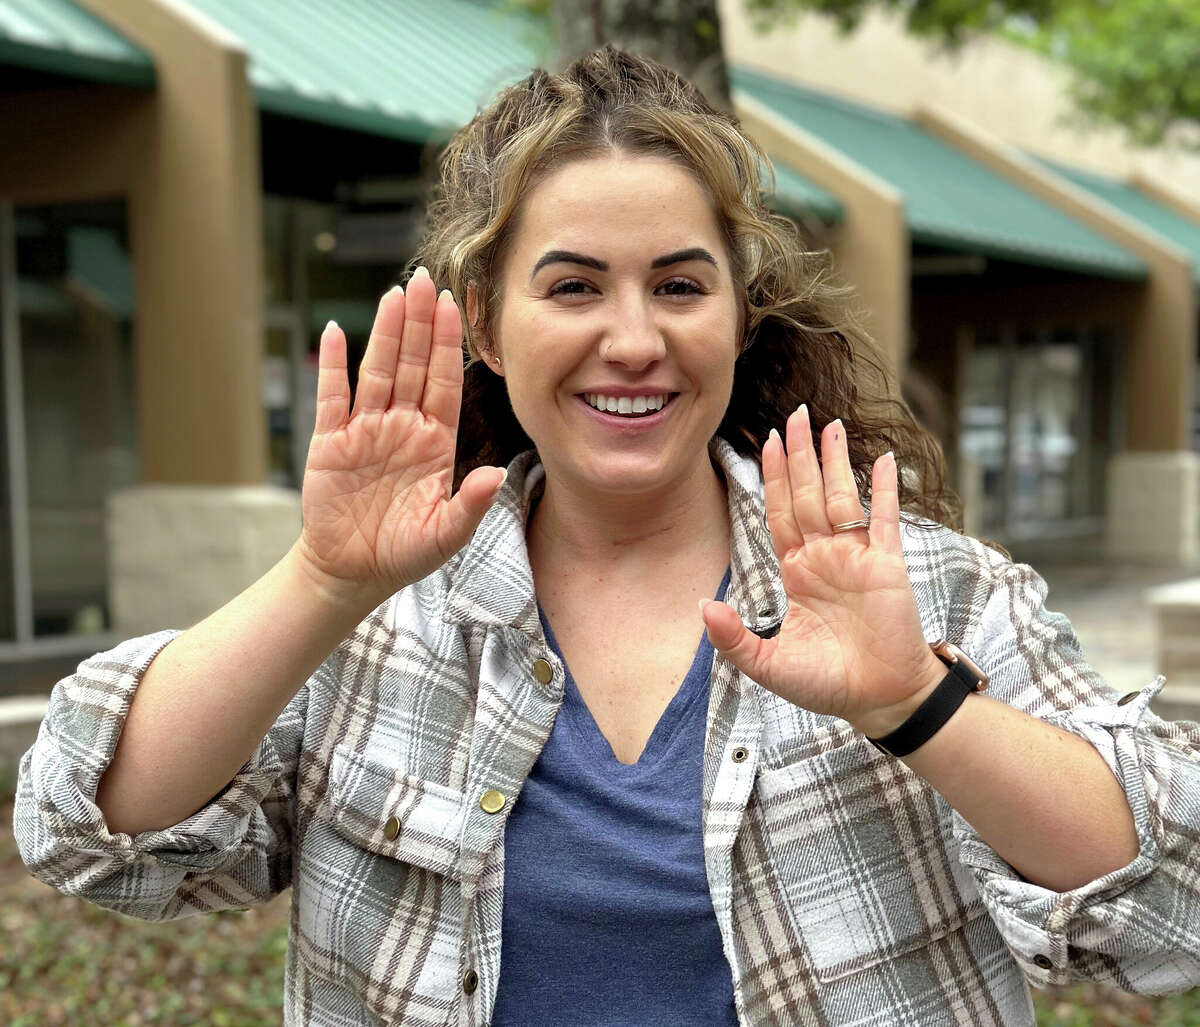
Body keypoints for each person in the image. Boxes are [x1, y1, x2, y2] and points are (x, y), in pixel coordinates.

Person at [14, 46, 1200, 1027]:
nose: (633, 338)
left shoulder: (918, 589)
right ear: (484, 322)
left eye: (680, 287)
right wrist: (324, 577)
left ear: (740, 315)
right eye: (573, 287)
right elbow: (87, 828)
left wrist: (913, 704)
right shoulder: (373, 616)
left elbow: (1171, 910)